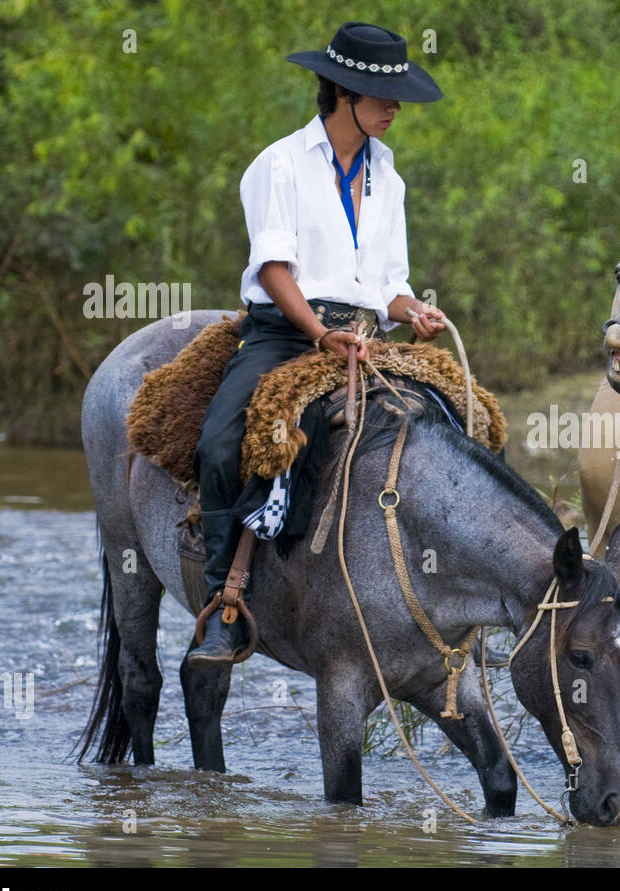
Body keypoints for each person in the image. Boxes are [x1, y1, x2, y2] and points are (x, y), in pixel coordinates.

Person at [188, 22, 448, 667]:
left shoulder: (389, 177)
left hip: (363, 338)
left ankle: (446, 602)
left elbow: (387, 283)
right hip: (286, 332)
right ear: (340, 90)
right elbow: (275, 269)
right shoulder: (278, 164)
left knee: (461, 418)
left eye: (394, 97)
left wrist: (412, 310)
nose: (393, 108)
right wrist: (317, 332)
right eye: (379, 94)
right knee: (223, 443)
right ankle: (225, 602)